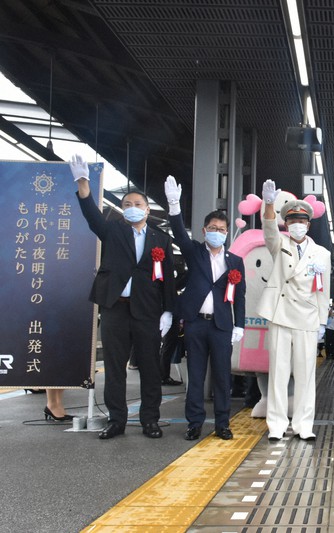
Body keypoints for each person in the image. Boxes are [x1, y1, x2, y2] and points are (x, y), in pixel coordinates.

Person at [71, 154, 175, 440]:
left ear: (148, 209)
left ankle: (150, 420)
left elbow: (168, 276)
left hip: (148, 311)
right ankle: (116, 420)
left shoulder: (160, 239)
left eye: (137, 204)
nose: (132, 208)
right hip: (115, 308)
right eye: (127, 204)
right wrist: (83, 185)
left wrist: (168, 311)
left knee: (150, 367)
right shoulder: (113, 230)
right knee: (114, 368)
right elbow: (92, 216)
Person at [164, 176, 245, 440]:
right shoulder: (194, 252)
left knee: (223, 377)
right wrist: (174, 206)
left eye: (222, 229)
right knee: (196, 377)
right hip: (195, 323)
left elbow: (240, 295)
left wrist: (240, 324)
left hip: (222, 326)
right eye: (212, 228)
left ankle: (222, 423)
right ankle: (195, 422)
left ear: (226, 232)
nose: (217, 232)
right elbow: (177, 232)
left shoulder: (236, 261)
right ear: (203, 231)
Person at [257, 179, 330, 441]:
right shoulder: (280, 244)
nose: (297, 224)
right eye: (292, 221)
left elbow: (323, 289)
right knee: (277, 372)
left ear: (308, 224)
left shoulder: (322, 254)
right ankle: (276, 425)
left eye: (301, 220)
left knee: (305, 375)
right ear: (286, 224)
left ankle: (303, 425)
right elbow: (268, 230)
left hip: (308, 318)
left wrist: (322, 321)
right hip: (280, 314)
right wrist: (268, 204)